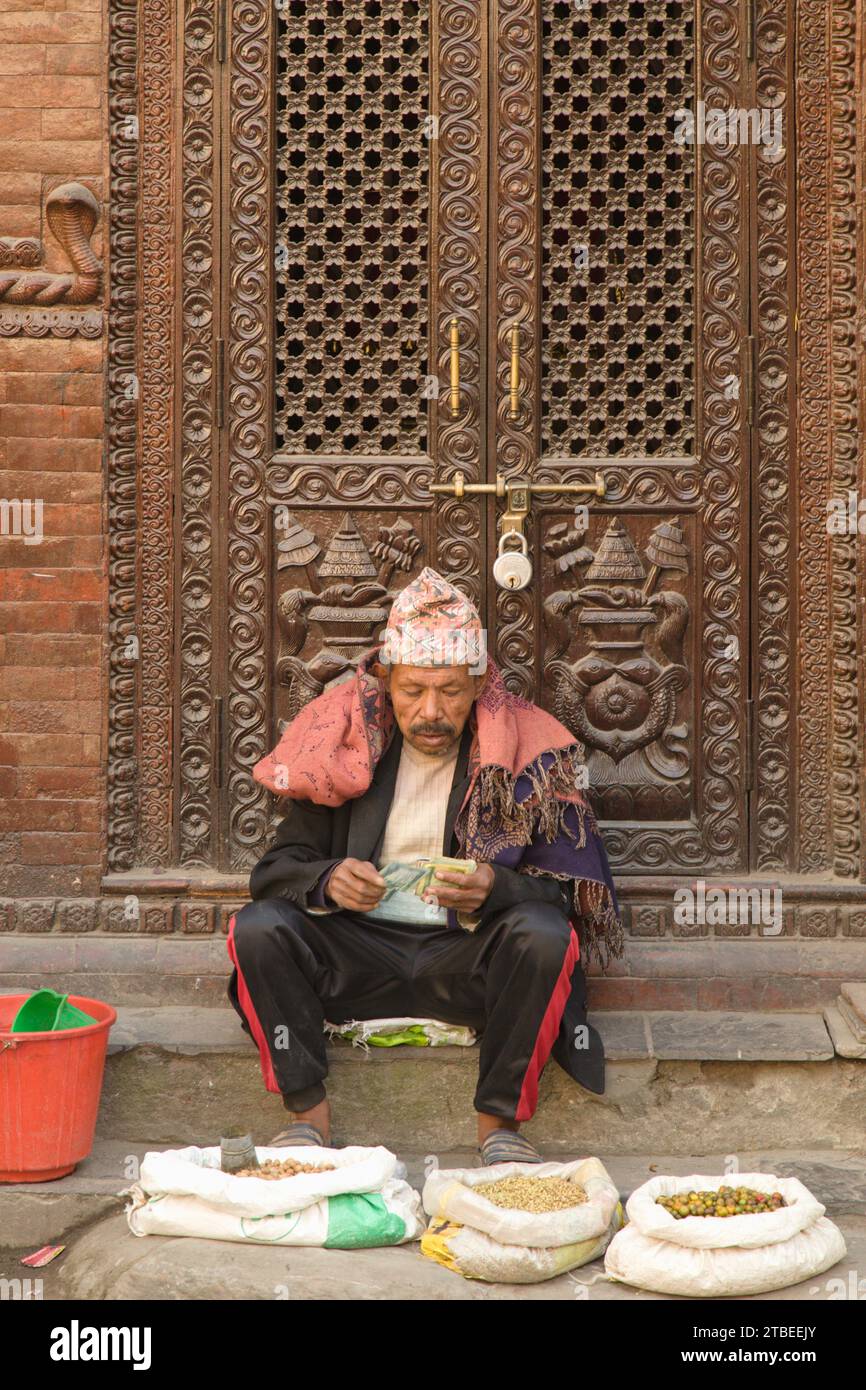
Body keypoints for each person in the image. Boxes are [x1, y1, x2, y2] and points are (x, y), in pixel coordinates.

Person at [227, 567, 623, 1164]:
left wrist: (495, 887)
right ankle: (307, 1117)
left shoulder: (525, 755)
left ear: (478, 685)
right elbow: (276, 871)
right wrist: (329, 880)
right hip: (356, 960)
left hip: (464, 964)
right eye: (413, 691)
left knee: (544, 936)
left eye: (451, 693)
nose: (431, 711)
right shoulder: (348, 752)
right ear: (386, 682)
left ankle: (499, 1128)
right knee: (257, 928)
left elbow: (562, 896)